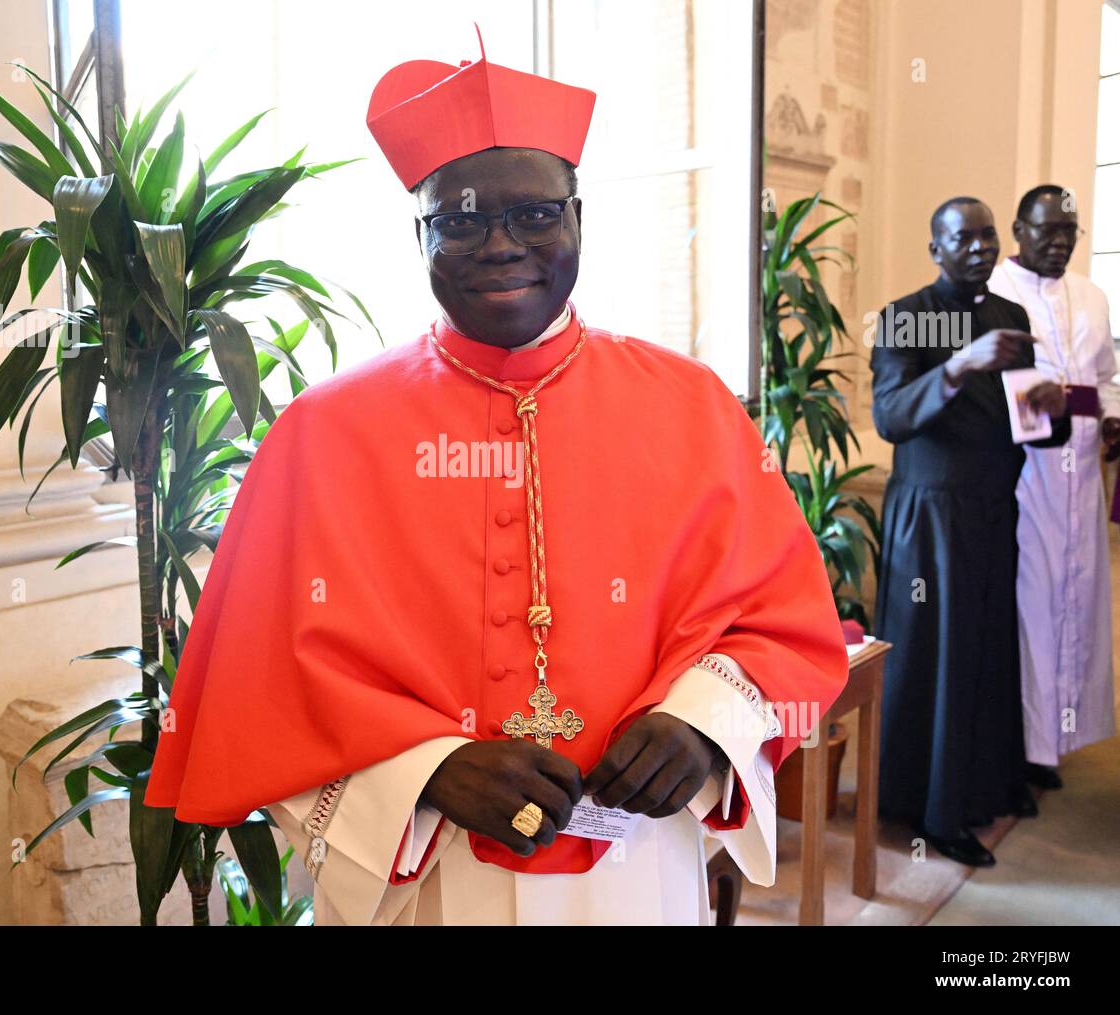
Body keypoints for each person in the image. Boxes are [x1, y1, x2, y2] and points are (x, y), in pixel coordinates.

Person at [144, 29, 848, 925]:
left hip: (632, 872)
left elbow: (784, 627)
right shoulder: (321, 434)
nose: (500, 244)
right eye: (462, 220)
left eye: (535, 214)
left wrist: (706, 724)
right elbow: (259, 685)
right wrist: (424, 765)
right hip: (428, 880)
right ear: (420, 235)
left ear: (580, 219)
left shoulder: (691, 406)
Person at [870, 196, 1070, 868]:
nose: (981, 247)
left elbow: (1033, 426)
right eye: (966, 238)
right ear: (936, 249)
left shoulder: (1010, 316)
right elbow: (892, 416)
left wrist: (1053, 409)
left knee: (986, 650)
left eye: (989, 236)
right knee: (944, 656)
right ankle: (933, 809)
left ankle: (986, 783)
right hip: (931, 516)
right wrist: (957, 365)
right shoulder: (906, 316)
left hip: (992, 508)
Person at [988, 184, 1120, 790]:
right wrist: (1059, 403)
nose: (1059, 242)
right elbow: (996, 390)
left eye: (1070, 233)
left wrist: (1113, 418)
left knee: (1080, 597)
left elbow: (1106, 379)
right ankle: (1025, 743)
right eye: (1046, 231)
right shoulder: (994, 292)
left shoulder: (1092, 296)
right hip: (1025, 476)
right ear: (1019, 230)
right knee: (1032, 605)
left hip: (1084, 475)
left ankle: (1062, 736)